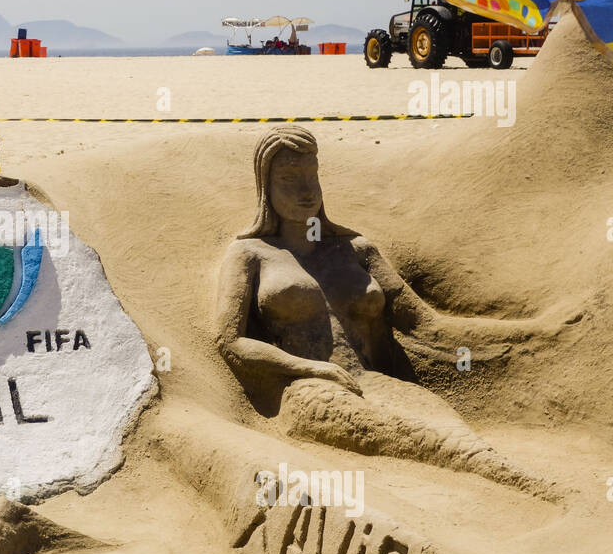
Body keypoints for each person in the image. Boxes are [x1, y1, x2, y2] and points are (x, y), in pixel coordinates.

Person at [214, 127, 576, 495]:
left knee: (459, 438)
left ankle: (521, 489)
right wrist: (311, 368)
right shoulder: (249, 255)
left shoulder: (354, 248)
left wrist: (535, 332)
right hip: (312, 393)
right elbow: (231, 341)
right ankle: (529, 489)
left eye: (312, 175)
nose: (306, 191)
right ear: (265, 185)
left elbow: (426, 326)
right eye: (289, 179)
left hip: (380, 385)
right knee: (442, 447)